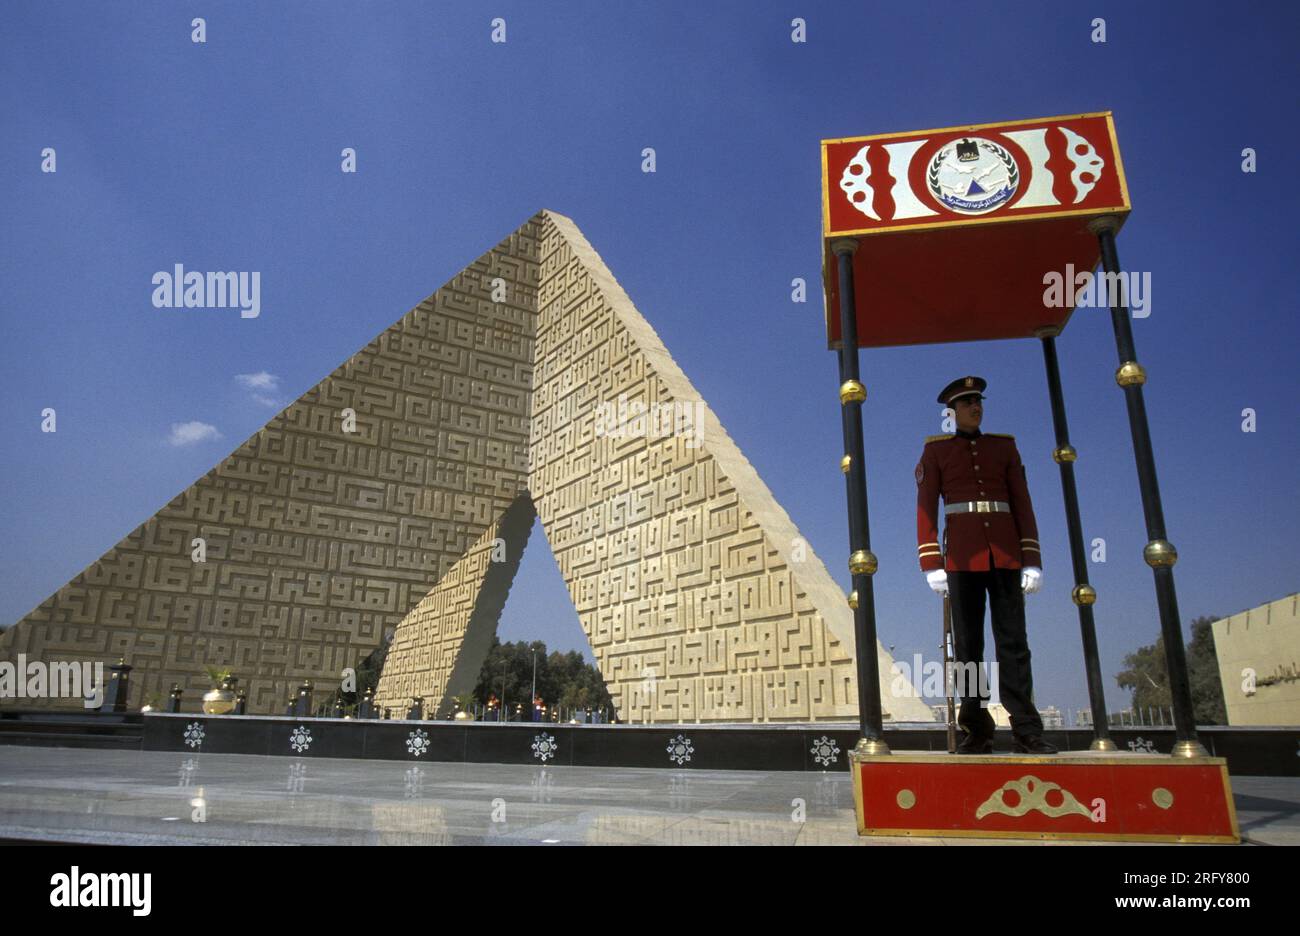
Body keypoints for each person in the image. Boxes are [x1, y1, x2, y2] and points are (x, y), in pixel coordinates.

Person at [915, 376, 1057, 755]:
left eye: (978, 401)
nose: (975, 408)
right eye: (966, 403)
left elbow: (1023, 503)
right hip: (962, 557)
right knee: (969, 648)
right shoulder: (936, 452)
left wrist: (1032, 559)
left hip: (1006, 553)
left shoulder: (1004, 448)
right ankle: (976, 728)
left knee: (1014, 644)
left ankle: (1027, 729)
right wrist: (931, 561)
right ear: (953, 411)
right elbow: (926, 507)